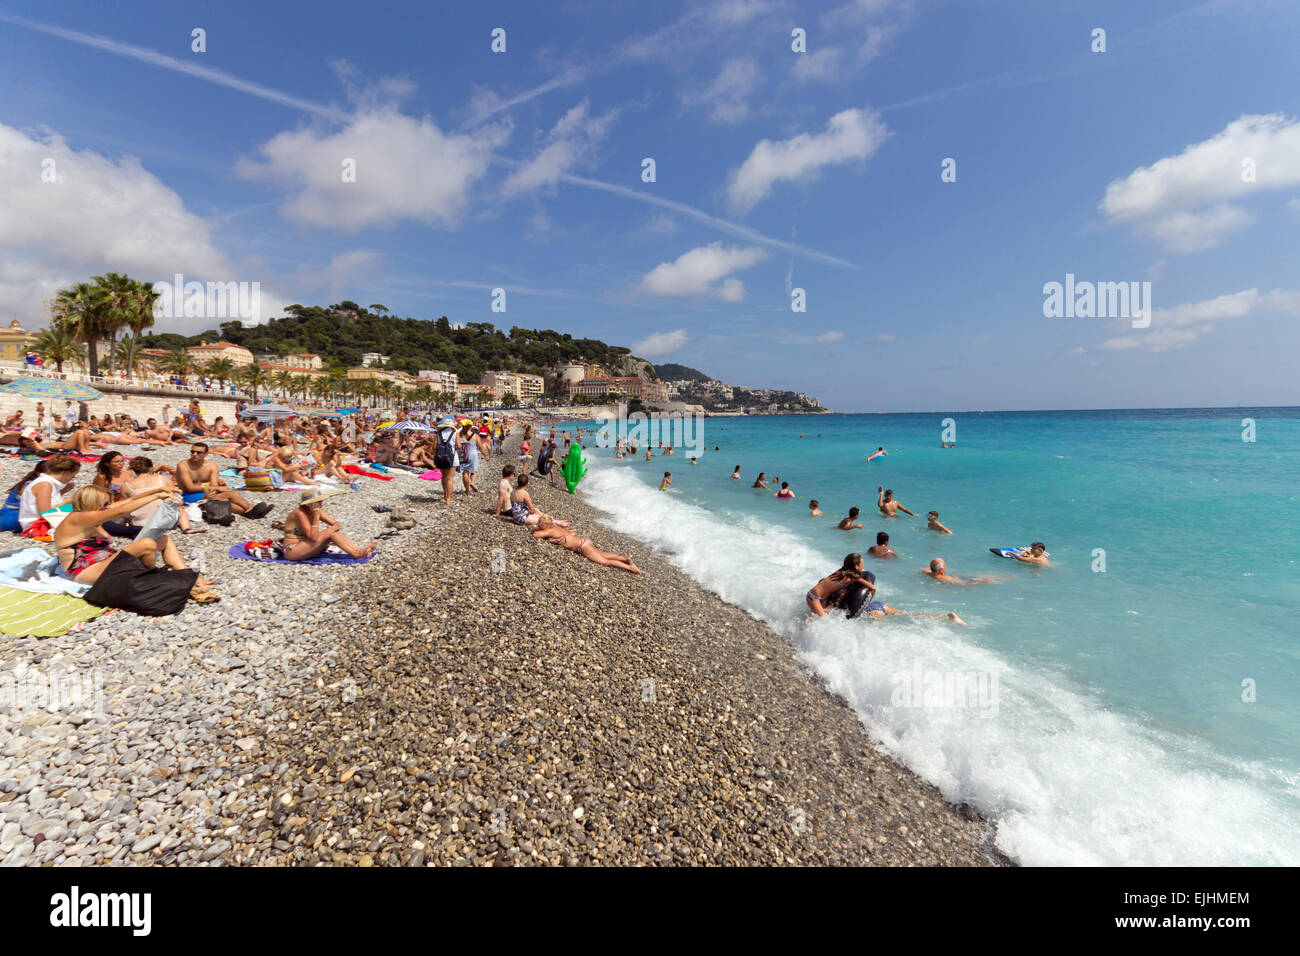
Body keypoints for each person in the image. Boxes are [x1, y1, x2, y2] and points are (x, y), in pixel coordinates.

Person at [54, 486, 216, 601]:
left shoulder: (94, 515)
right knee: (146, 544)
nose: (109, 507)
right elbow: (119, 511)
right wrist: (156, 497)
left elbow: (128, 501)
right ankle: (152, 578)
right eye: (105, 504)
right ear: (91, 503)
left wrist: (160, 491)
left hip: (104, 563)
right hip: (85, 572)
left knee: (163, 540)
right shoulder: (78, 518)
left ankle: (190, 576)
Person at [281, 488, 377, 561]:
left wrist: (331, 528)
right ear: (308, 503)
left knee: (332, 532)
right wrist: (316, 517)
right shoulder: (299, 513)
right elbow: (313, 538)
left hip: (306, 548)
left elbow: (336, 524)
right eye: (318, 501)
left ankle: (359, 551)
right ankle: (357, 553)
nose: (321, 503)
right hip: (292, 551)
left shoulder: (317, 511)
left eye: (321, 500)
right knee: (330, 532)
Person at [177, 443, 268, 518]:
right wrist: (218, 488)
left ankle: (249, 511)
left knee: (232, 495)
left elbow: (214, 484)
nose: (194, 454)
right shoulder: (184, 465)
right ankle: (251, 511)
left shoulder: (212, 465)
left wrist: (215, 489)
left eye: (198, 452)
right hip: (189, 496)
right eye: (192, 451)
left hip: (206, 492)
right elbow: (190, 488)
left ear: (206, 454)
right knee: (224, 499)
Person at [532, 515, 641, 574]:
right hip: (584, 541)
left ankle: (630, 568)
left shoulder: (549, 530)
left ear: (546, 525)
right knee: (602, 554)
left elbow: (536, 535)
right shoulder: (554, 527)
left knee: (604, 561)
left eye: (540, 524)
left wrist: (536, 528)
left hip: (582, 547)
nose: (538, 525)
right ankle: (624, 559)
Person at [18, 455, 80, 534]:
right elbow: (45, 514)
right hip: (37, 527)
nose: (74, 477)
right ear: (66, 472)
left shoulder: (48, 483)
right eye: (73, 475)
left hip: (43, 524)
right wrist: (69, 501)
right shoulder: (44, 484)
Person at [805, 553, 878, 616]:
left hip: (818, 596)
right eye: (862, 564)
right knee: (822, 621)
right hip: (814, 599)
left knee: (820, 617)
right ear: (856, 567)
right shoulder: (851, 577)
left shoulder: (841, 571)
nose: (863, 566)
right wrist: (869, 600)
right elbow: (873, 588)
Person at [922, 558, 1003, 585]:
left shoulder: (927, 573)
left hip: (958, 576)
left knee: (978, 575)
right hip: (963, 579)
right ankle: (1007, 577)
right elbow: (965, 584)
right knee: (987, 577)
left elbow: (925, 568)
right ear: (941, 570)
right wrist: (983, 581)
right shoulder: (945, 579)